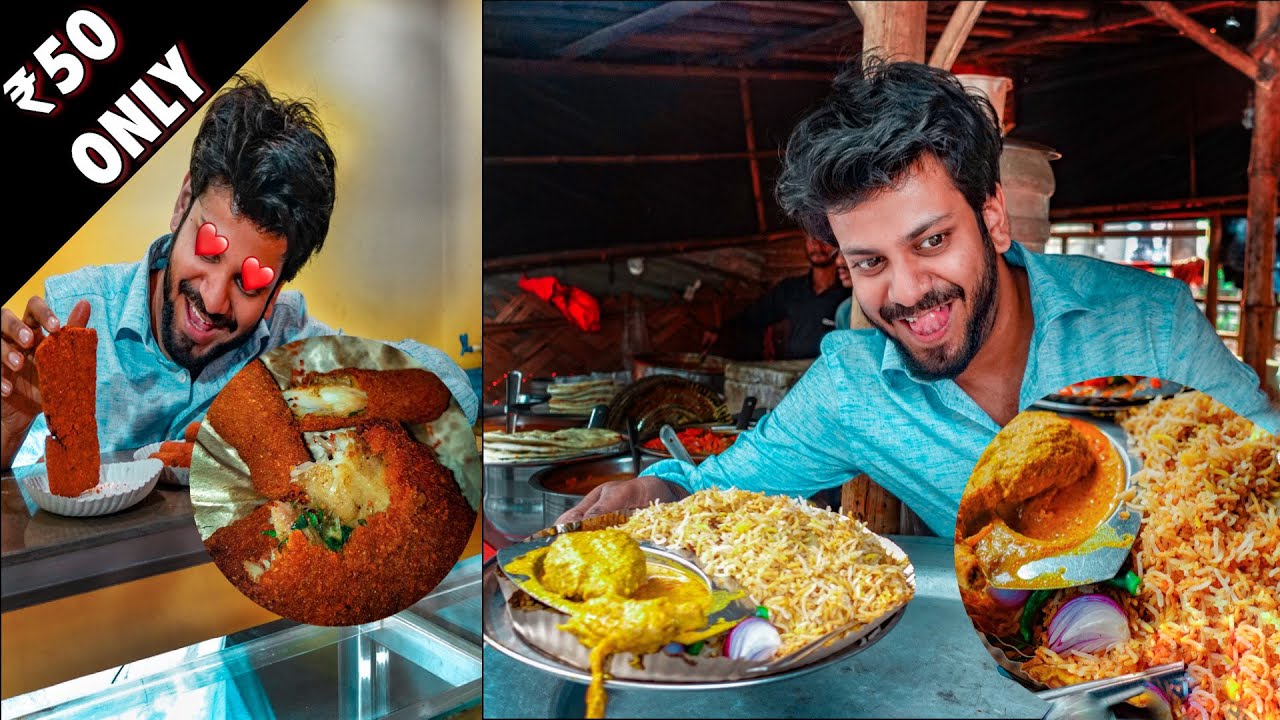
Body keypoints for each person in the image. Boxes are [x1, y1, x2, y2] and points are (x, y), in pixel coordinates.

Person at [558, 57, 1279, 537]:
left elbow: (1266, 476)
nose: (907, 294)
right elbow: (712, 486)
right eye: (869, 261)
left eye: (932, 242)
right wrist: (651, 494)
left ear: (992, 218)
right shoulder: (853, 387)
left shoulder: (1147, 324)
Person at [1, 76, 475, 470]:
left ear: (278, 288)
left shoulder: (285, 340)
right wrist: (7, 430)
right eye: (209, 249)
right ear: (184, 203)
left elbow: (449, 387)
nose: (213, 300)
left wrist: (293, 418)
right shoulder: (70, 318)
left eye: (251, 283)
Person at [721, 234, 848, 360]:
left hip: (833, 372)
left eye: (824, 239)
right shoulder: (790, 289)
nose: (817, 245)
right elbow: (752, 317)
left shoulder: (848, 293)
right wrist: (718, 333)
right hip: (796, 373)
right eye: (811, 238)